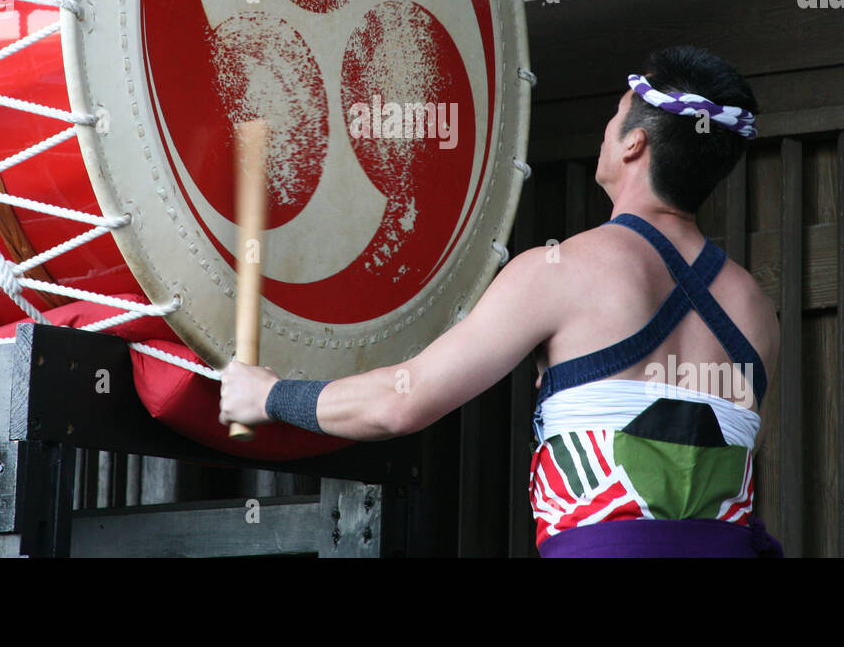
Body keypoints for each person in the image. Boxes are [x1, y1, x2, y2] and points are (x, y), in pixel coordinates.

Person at [220, 45, 783, 557]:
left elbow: (401, 401)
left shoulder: (558, 270)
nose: (606, 131)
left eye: (615, 118)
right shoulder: (755, 307)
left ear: (634, 142)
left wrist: (270, 397)